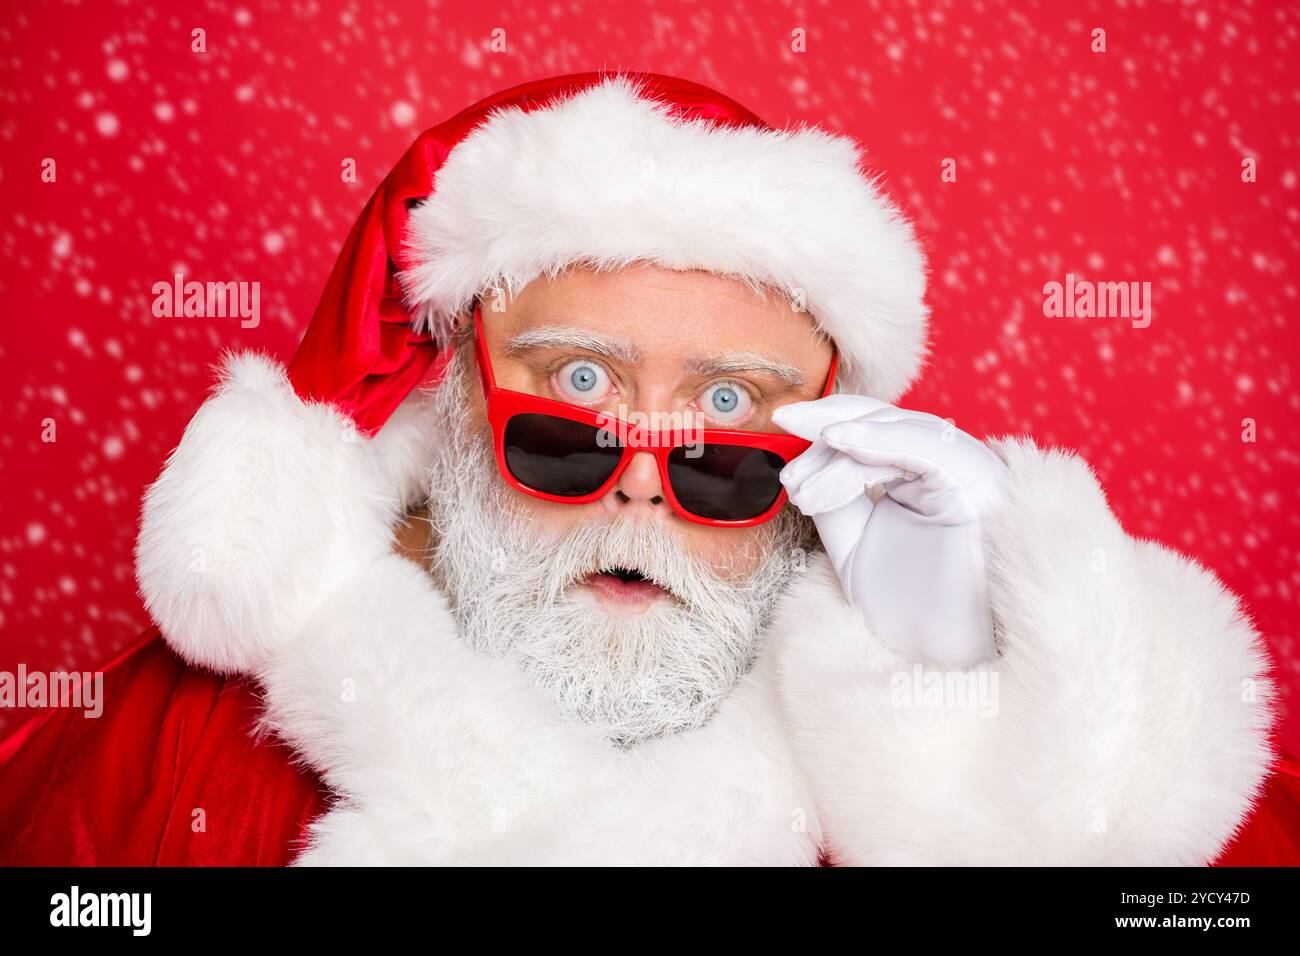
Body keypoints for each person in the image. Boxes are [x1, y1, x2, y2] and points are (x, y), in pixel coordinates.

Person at [3, 72, 1298, 866]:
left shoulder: (921, 745)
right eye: (575, 396)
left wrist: (996, 688)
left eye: (729, 414)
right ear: (451, 402)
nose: (637, 483)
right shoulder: (177, 742)